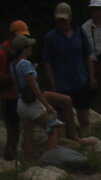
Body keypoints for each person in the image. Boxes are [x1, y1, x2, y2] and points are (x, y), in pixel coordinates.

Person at [7, 34, 64, 162]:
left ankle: (28, 163)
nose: (31, 48)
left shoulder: (12, 65)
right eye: (29, 46)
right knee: (52, 131)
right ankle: (48, 162)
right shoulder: (26, 64)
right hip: (33, 104)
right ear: (24, 49)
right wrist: (47, 105)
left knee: (28, 134)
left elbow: (17, 87)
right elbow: (33, 87)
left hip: (21, 103)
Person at [43, 2, 94, 138]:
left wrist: (91, 76)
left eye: (64, 19)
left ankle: (86, 141)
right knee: (63, 119)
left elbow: (87, 55)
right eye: (59, 20)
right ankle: (67, 145)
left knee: (84, 118)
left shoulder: (79, 32)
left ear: (70, 17)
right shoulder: (51, 37)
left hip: (81, 80)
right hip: (62, 83)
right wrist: (52, 82)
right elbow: (47, 61)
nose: (61, 22)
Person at [0, 21, 30, 160]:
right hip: (7, 97)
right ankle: (8, 162)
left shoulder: (19, 50)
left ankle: (13, 161)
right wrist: (17, 75)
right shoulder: (2, 52)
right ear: (11, 35)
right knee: (12, 132)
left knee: (17, 132)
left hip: (18, 96)